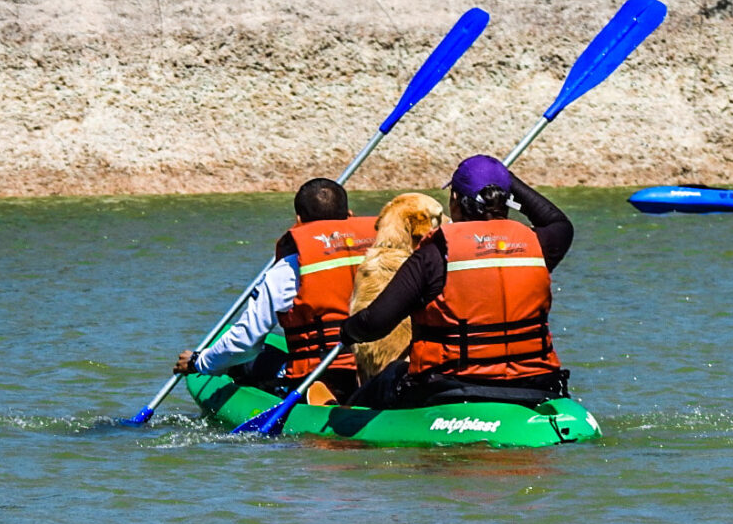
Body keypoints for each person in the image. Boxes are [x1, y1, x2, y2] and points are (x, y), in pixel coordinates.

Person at [340, 155, 573, 409]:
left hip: (453, 385)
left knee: (388, 378)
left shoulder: (434, 253)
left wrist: (348, 331)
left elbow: (375, 323)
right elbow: (557, 221)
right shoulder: (536, 245)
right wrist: (502, 179)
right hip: (537, 383)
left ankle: (337, 418)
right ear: (506, 199)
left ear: (455, 201)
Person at [173, 177, 377, 401]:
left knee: (251, 359)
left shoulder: (286, 270)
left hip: (321, 372)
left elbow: (245, 342)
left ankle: (318, 394)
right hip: (375, 366)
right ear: (349, 214)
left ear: (298, 220)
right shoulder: (383, 255)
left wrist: (198, 361)